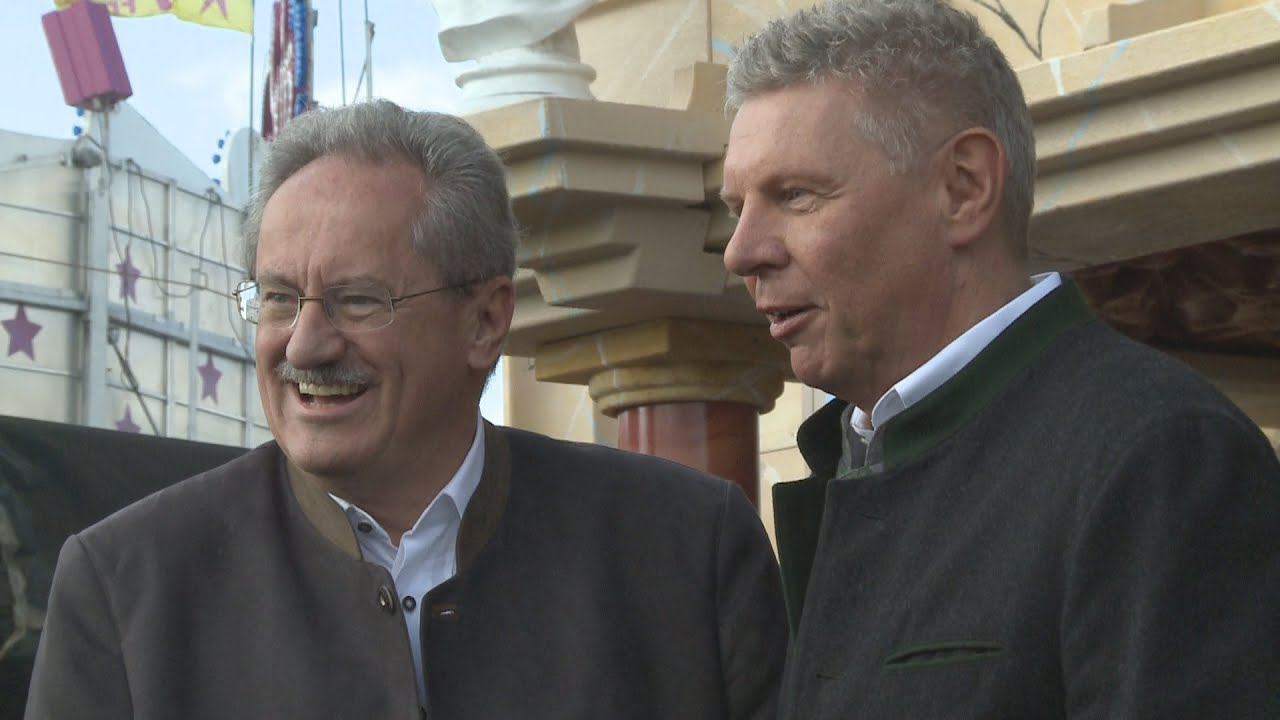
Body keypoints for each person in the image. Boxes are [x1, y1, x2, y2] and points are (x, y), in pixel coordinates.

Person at [26, 100, 787, 719]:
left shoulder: (687, 548)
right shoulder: (127, 583)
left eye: (360, 300)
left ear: (486, 320)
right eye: (280, 299)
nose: (306, 344)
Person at [718, 0, 1280, 717]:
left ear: (964, 187)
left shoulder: (1161, 455)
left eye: (794, 195)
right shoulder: (857, 460)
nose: (741, 251)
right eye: (736, 206)